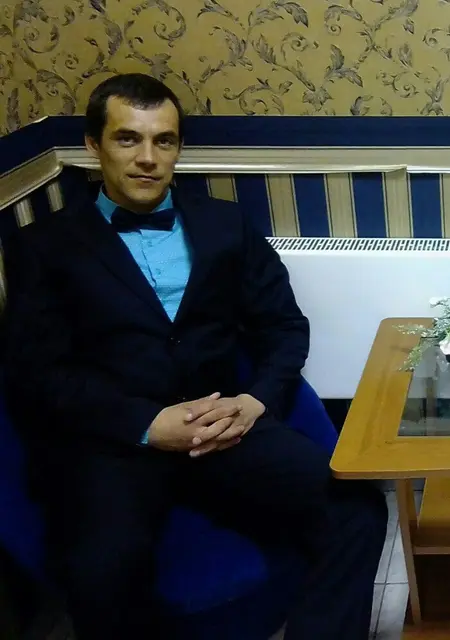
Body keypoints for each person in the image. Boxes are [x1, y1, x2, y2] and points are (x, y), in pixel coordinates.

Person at [3, 73, 387, 640]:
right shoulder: (42, 246)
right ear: (92, 145)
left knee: (357, 510)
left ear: (178, 148)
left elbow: (284, 327)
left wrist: (254, 401)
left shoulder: (224, 224)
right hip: (116, 444)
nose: (148, 158)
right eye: (128, 138)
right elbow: (38, 374)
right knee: (99, 571)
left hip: (223, 425)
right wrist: (147, 425)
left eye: (164, 140)